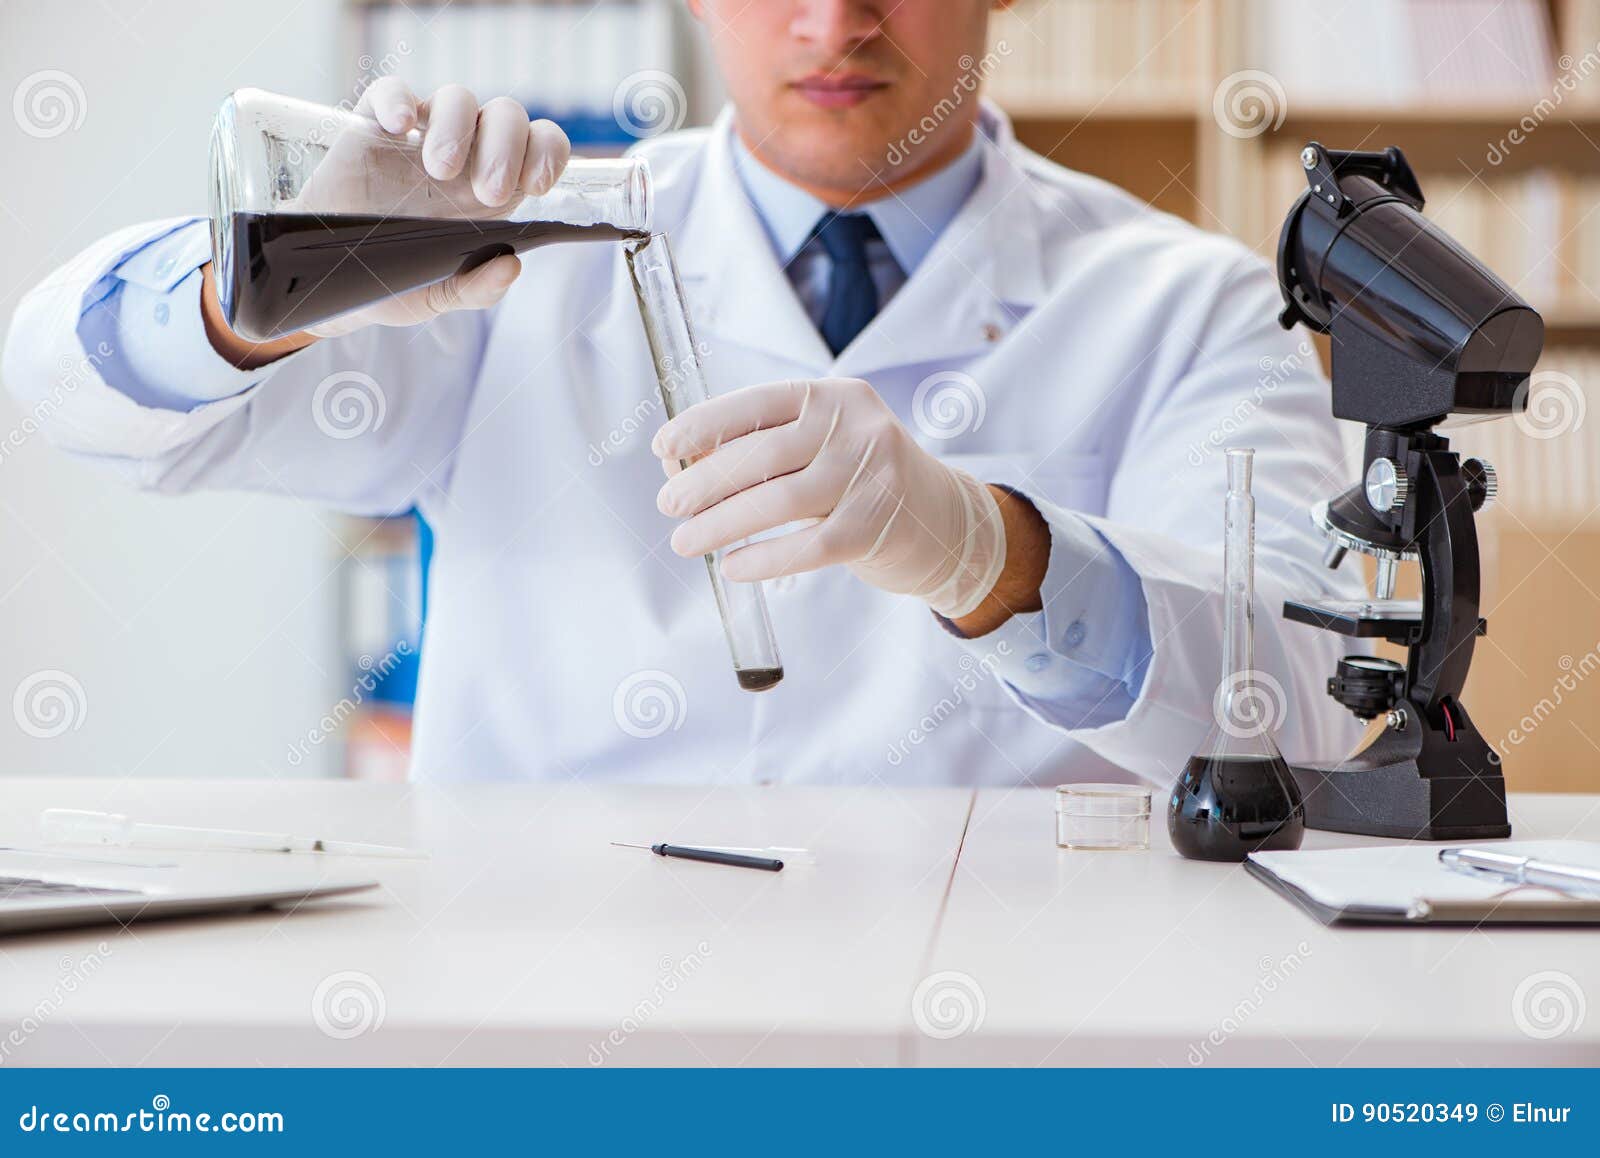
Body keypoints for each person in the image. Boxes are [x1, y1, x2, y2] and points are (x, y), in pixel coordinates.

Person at [2, 0, 1362, 787]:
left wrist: (991, 552)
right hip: (544, 1016)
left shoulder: (1195, 303)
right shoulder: (516, 242)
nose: (833, 21)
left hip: (1001, 1028)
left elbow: (1295, 708)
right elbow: (74, 389)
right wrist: (276, 272)